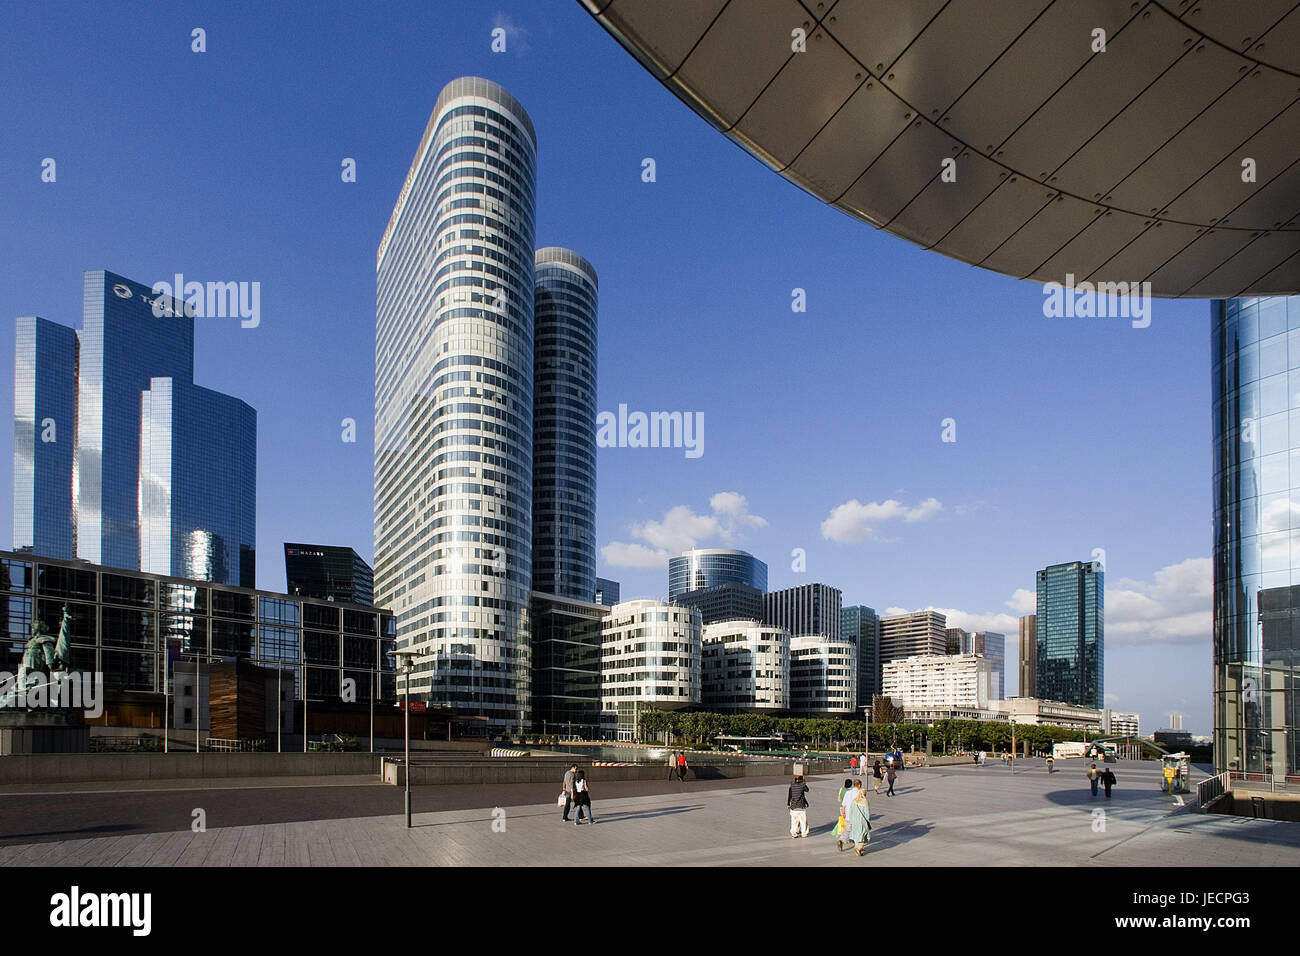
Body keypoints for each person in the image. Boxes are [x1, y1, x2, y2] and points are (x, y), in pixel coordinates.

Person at [845, 779, 871, 856]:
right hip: (862, 820)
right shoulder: (864, 802)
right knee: (862, 834)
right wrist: (868, 819)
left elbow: (851, 811)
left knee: (857, 834)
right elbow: (866, 813)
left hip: (854, 820)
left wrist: (850, 819)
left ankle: (857, 847)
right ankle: (859, 848)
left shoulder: (854, 801)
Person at [787, 773, 811, 837]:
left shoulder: (792, 785)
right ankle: (804, 833)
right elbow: (807, 790)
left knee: (794, 821)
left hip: (793, 806)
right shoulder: (802, 785)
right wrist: (804, 782)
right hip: (801, 806)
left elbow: (790, 795)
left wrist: (788, 803)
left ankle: (793, 833)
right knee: (803, 821)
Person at [834, 778, 853, 850]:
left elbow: (839, 798)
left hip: (842, 808)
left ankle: (845, 838)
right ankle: (843, 839)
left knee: (846, 823)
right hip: (848, 809)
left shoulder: (841, 789)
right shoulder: (850, 791)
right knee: (849, 825)